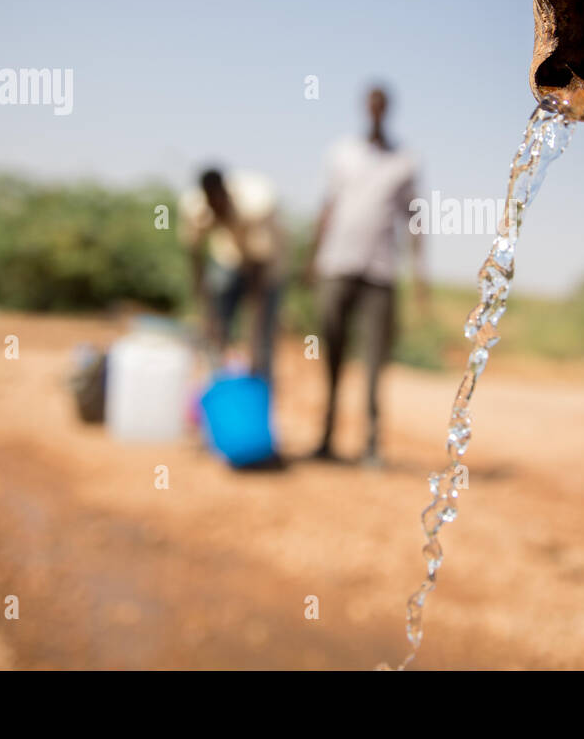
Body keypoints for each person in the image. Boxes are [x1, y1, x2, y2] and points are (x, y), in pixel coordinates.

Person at [307, 87, 426, 467]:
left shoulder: (405, 161)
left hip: (380, 271)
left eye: (382, 105)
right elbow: (327, 206)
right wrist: (312, 259)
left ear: (388, 109)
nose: (376, 111)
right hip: (336, 265)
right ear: (365, 108)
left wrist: (420, 273)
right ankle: (326, 440)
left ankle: (371, 446)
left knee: (375, 360)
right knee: (333, 355)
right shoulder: (341, 152)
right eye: (371, 104)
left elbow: (414, 218)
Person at [179, 168, 286, 385]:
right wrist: (202, 295)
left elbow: (260, 268)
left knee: (262, 334)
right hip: (228, 258)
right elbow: (195, 252)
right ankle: (217, 382)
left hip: (268, 265)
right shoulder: (195, 209)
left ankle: (260, 384)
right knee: (216, 325)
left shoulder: (257, 206)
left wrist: (255, 317)